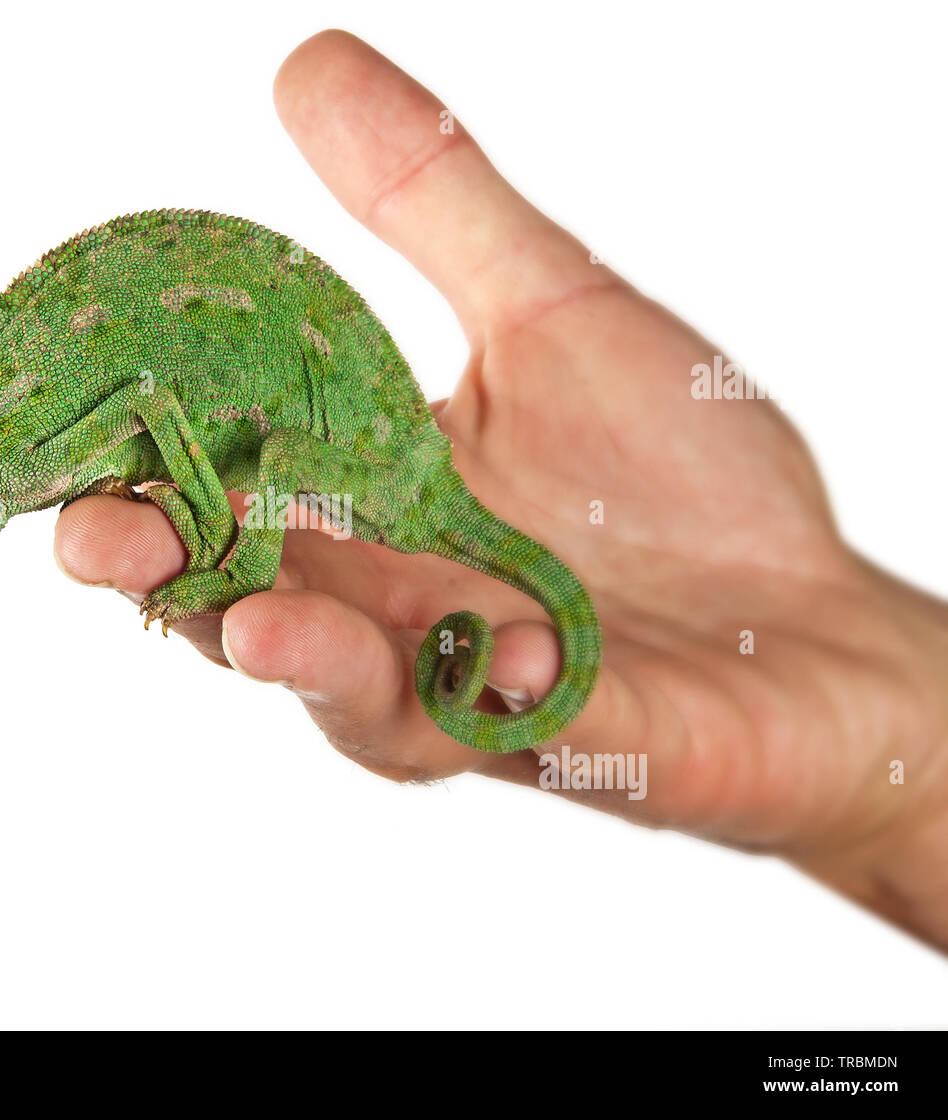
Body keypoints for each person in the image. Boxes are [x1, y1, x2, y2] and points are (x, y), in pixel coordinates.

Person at [53, 30, 948, 950]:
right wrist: (895, 790)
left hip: (380, 466)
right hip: (346, 443)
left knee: (270, 491)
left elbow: (275, 462)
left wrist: (234, 561)